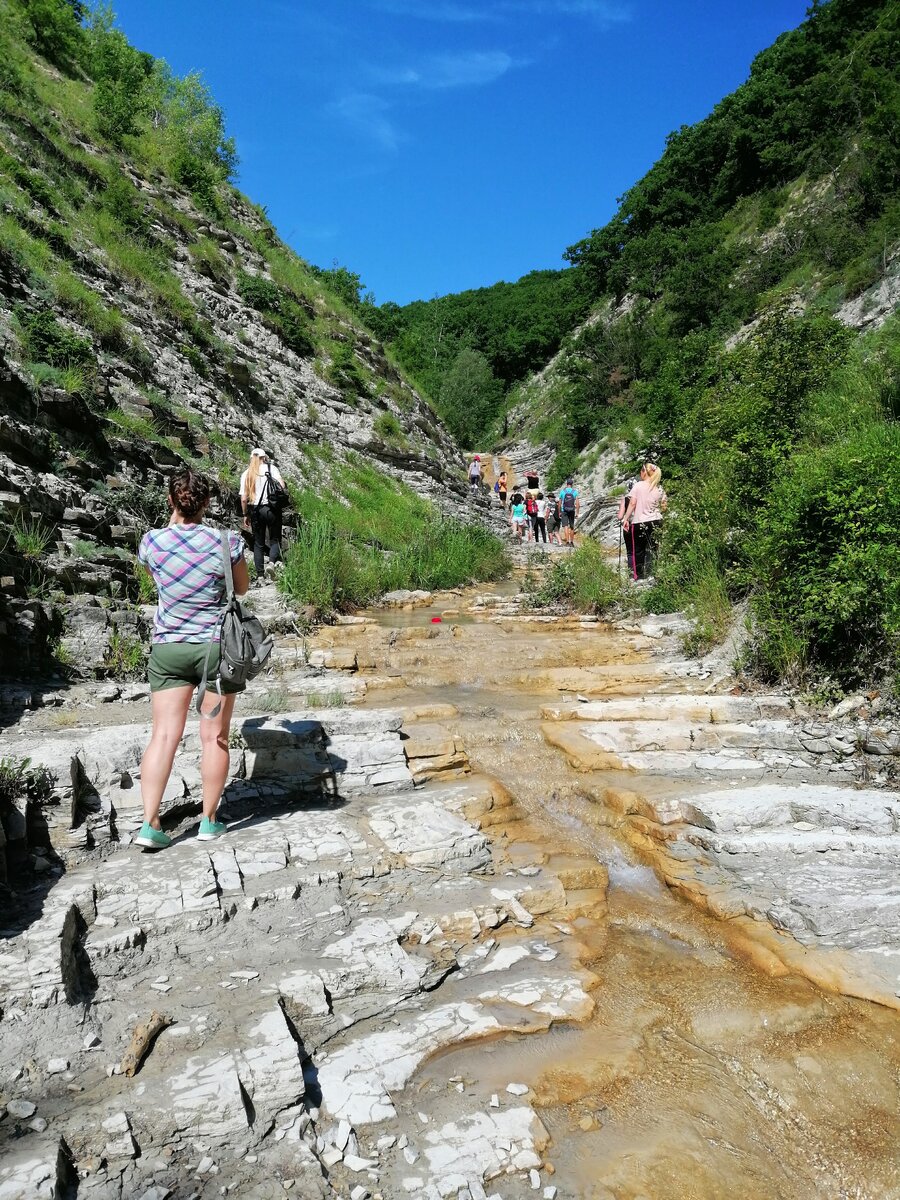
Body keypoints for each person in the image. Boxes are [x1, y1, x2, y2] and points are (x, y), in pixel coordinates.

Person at [135, 468, 249, 850]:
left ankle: (149, 826)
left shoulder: (151, 542)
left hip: (168, 647)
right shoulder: (226, 542)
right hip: (214, 649)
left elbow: (159, 581)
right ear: (206, 503)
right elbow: (242, 588)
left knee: (163, 736)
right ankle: (209, 821)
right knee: (213, 736)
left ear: (171, 500)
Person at [240, 448, 285, 578]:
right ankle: (271, 563)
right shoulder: (271, 469)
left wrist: (245, 514)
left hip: (255, 510)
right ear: (264, 457)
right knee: (275, 539)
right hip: (272, 508)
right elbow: (281, 486)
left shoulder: (246, 474)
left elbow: (243, 499)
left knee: (258, 543)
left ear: (251, 458)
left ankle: (260, 576)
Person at [623, 462, 667, 581]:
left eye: (641, 470)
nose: (640, 473)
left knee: (638, 550)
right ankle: (652, 573)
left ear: (645, 472)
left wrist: (626, 519)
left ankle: (640, 576)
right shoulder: (659, 488)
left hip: (640, 521)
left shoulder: (638, 486)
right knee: (653, 548)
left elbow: (632, 503)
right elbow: (664, 507)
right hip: (657, 521)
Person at [617, 469, 643, 575]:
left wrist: (620, 514)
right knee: (640, 549)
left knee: (630, 551)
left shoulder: (626, 499)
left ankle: (632, 572)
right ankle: (641, 571)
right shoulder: (641, 498)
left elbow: (619, 516)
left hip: (628, 526)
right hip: (640, 525)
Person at [558, 478, 579, 546]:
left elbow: (559, 503)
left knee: (566, 526)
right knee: (572, 526)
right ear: (572, 484)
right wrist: (577, 513)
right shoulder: (574, 492)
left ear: (566, 484)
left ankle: (567, 542)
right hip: (572, 510)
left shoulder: (562, 491)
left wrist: (559, 512)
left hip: (564, 510)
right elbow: (578, 504)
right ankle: (572, 542)